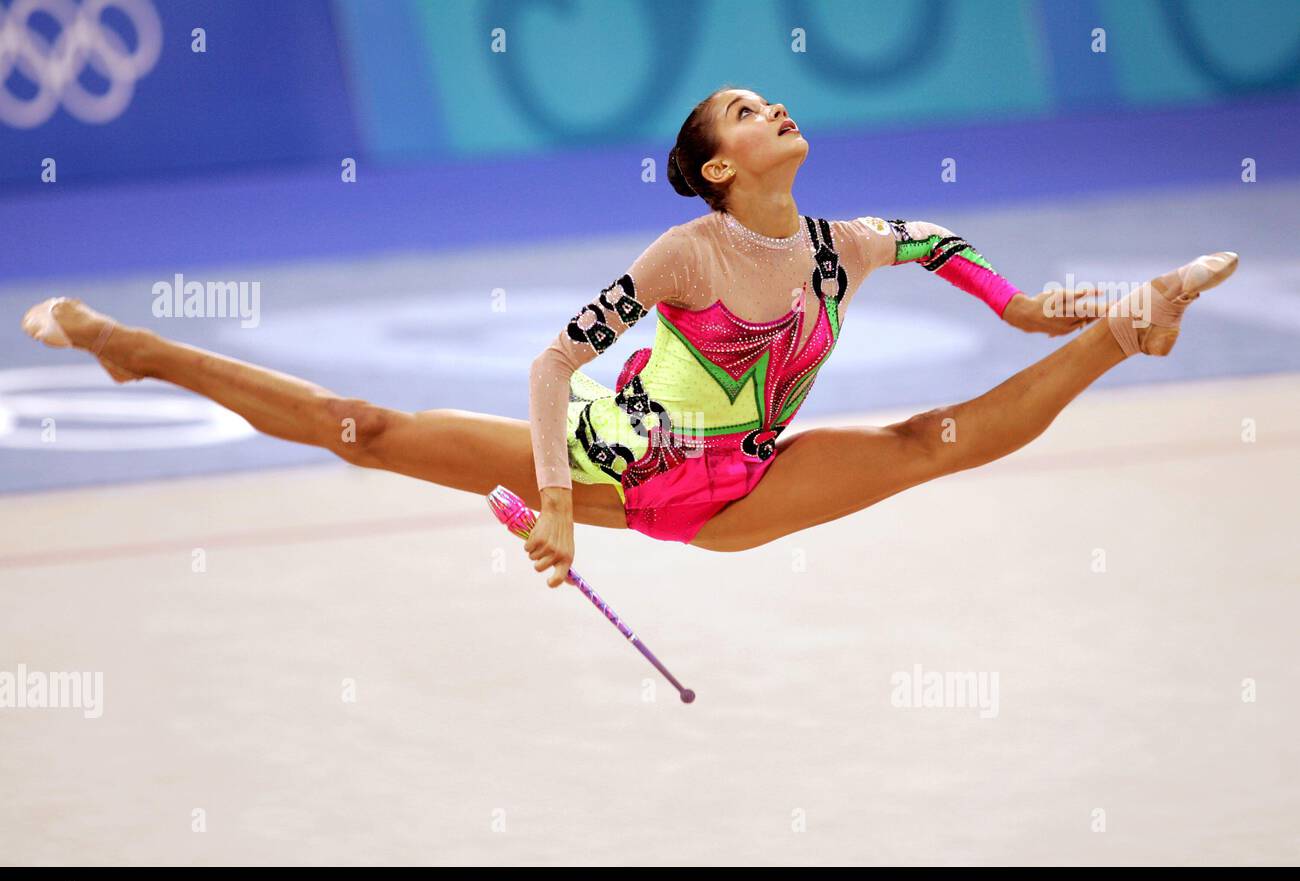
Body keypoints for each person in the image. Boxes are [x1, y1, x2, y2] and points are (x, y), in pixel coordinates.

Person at [20, 87, 1238, 591]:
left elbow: (1021, 305)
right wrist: (552, 500)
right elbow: (554, 361)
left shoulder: (865, 240)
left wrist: (1110, 301)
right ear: (720, 164)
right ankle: (138, 347)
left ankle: (1138, 333)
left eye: (773, 99)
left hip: (737, 493)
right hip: (611, 464)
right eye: (750, 111)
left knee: (934, 439)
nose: (776, 110)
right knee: (368, 432)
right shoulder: (684, 258)